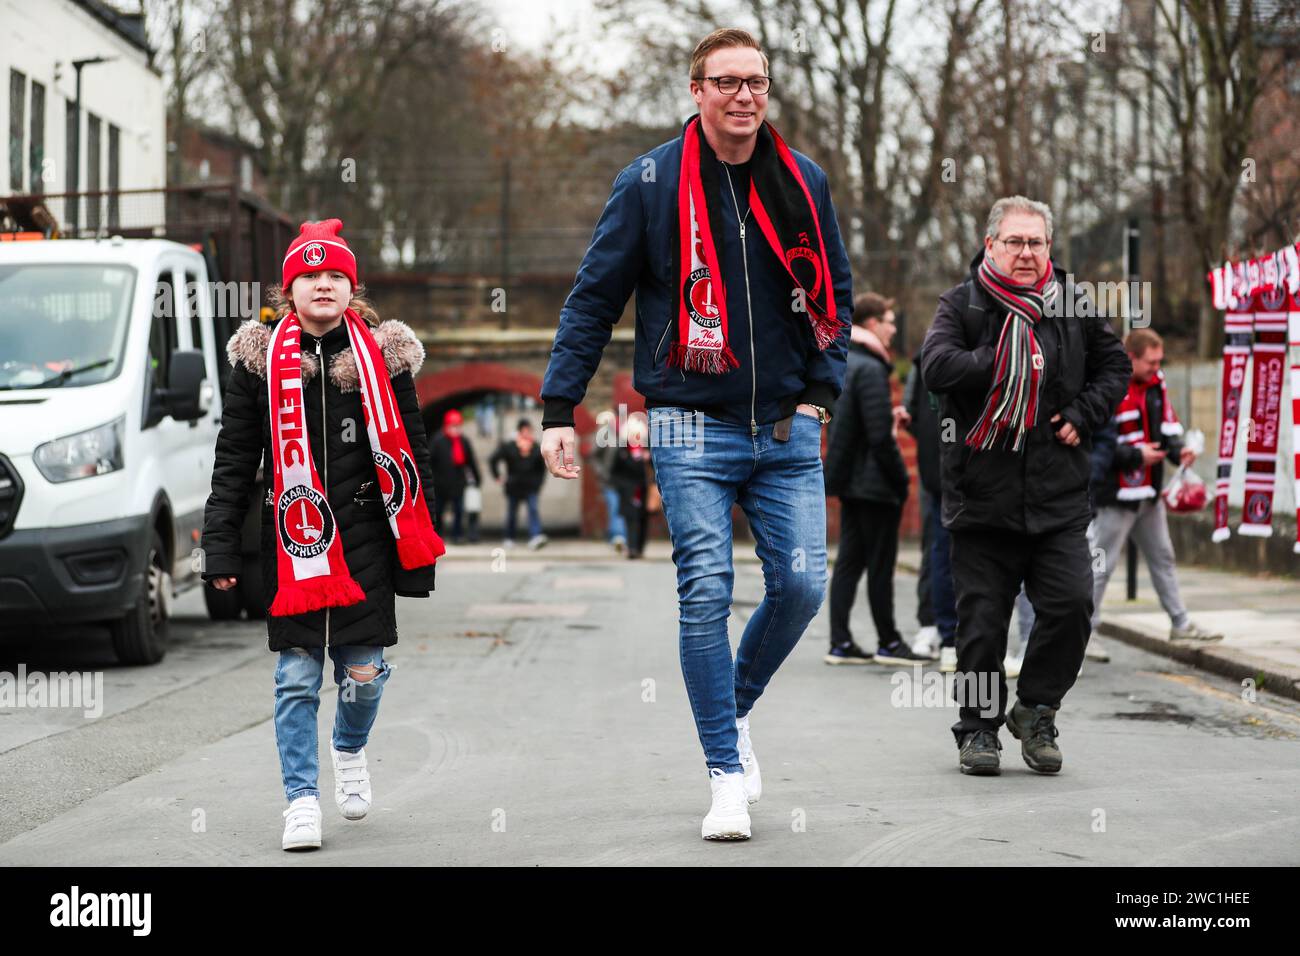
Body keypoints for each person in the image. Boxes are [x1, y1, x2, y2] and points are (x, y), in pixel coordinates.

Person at [537, 28, 852, 840]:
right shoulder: (648, 183)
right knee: (706, 590)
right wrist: (555, 410)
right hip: (688, 424)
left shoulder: (803, 181)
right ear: (696, 89)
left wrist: (821, 396)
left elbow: (836, 301)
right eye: (727, 82)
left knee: (804, 587)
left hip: (786, 428)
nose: (744, 96)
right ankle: (722, 773)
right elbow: (591, 302)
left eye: (757, 82)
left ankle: (732, 710)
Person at [200, 219, 443, 851]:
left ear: (351, 286)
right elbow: (233, 460)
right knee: (296, 679)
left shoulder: (381, 359)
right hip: (291, 539)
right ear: (289, 290)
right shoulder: (259, 363)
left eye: (334, 274)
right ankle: (301, 802)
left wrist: (418, 549)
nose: (322, 285)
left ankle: (350, 747)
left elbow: (412, 453)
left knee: (365, 673)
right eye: (309, 276)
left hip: (367, 539)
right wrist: (221, 546)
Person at [921, 196, 1130, 777]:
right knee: (983, 626)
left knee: (1070, 605)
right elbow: (935, 366)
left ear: (1049, 249)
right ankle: (978, 733)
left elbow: (1116, 370)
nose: (1025, 253)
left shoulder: (1075, 304)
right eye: (1014, 242)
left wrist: (1084, 413)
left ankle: (1036, 712)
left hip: (1057, 497)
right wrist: (1010, 360)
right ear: (991, 246)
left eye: (1036, 243)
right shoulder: (961, 304)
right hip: (982, 499)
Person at [1088, 329, 1223, 642]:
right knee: (1100, 566)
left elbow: (1165, 431)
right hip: (1115, 495)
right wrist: (1135, 456)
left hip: (1149, 492)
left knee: (1164, 558)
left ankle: (1180, 623)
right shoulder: (1108, 384)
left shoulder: (1155, 385)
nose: (1156, 367)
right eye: (1151, 362)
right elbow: (1100, 446)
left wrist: (1179, 453)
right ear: (1131, 357)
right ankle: (1085, 632)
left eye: (1159, 361)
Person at [824, 292, 927, 665]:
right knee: (881, 564)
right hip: (874, 485)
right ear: (871, 324)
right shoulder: (870, 369)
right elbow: (878, 437)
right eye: (888, 320)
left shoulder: (848, 363)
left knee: (849, 561)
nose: (893, 328)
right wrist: (900, 481)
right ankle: (888, 642)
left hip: (853, 482)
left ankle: (839, 643)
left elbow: (857, 426)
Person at [905, 344, 958, 668]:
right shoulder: (976, 354)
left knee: (938, 552)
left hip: (935, 471)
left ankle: (945, 633)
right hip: (957, 473)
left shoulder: (923, 360)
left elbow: (912, 414)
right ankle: (950, 635)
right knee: (957, 555)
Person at [490, 418, 548, 549]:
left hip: (530, 487)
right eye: (525, 431)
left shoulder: (535, 447)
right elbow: (493, 459)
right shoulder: (510, 446)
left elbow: (542, 468)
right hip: (513, 487)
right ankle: (509, 537)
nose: (527, 434)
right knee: (511, 513)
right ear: (519, 431)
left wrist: (538, 483)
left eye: (529, 431)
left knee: (533, 511)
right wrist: (498, 477)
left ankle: (535, 536)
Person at [430, 408, 482, 545]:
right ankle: (438, 534)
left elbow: (470, 462)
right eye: (453, 426)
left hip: (458, 484)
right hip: (440, 484)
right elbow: (430, 461)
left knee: (458, 511)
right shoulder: (438, 441)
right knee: (438, 511)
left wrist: (477, 478)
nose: (456, 429)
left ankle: (457, 535)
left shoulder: (463, 441)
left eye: (458, 426)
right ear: (447, 426)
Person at [608, 411, 652, 559]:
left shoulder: (648, 450)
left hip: (644, 489)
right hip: (628, 491)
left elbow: (655, 469)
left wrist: (647, 460)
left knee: (642, 519)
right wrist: (621, 487)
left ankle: (639, 548)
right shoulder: (622, 451)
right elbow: (614, 472)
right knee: (631, 519)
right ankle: (632, 548)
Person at [591, 409, 630, 552]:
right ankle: (618, 537)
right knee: (615, 507)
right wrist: (602, 473)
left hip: (626, 480)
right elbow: (594, 456)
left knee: (622, 509)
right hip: (609, 481)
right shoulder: (606, 434)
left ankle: (615, 537)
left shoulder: (629, 433)